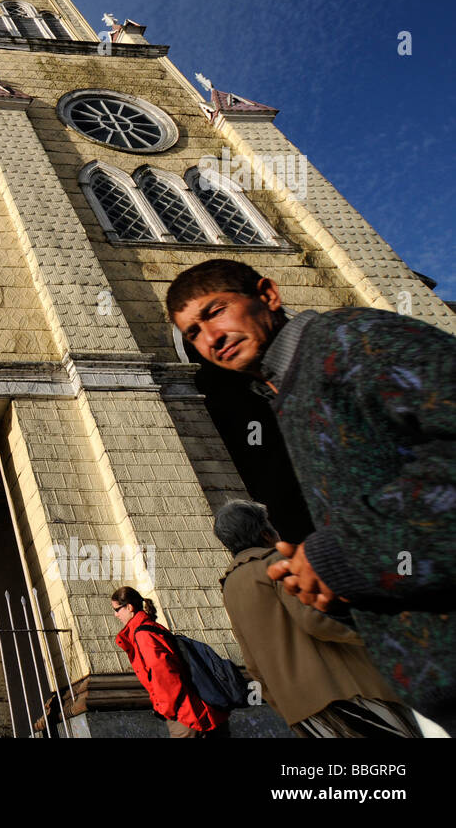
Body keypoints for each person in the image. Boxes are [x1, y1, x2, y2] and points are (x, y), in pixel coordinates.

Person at [168, 259, 456, 732]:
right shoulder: (287, 392)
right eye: (193, 333)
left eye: (216, 312)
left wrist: (339, 555)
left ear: (269, 295)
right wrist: (331, 583)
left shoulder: (352, 341)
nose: (209, 339)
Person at [214, 499, 419, 737]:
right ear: (266, 533)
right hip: (346, 691)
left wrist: (284, 705)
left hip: (301, 709)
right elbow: (316, 620)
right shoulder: (275, 562)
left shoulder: (230, 586)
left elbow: (251, 663)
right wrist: (374, 638)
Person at [111, 586, 229, 737]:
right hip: (204, 709)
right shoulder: (154, 628)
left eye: (117, 609)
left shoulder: (143, 634)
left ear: (129, 607)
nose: (115, 615)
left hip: (186, 716)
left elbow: (164, 673)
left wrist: (165, 709)